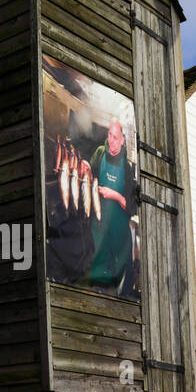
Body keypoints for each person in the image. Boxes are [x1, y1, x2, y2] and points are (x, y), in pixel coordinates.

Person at [87, 118, 136, 295]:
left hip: (118, 227)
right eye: (109, 135)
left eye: (115, 137)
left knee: (120, 274)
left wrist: (114, 195)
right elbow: (89, 177)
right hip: (98, 223)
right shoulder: (100, 153)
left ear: (122, 140)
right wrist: (85, 166)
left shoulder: (128, 168)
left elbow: (131, 206)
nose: (111, 141)